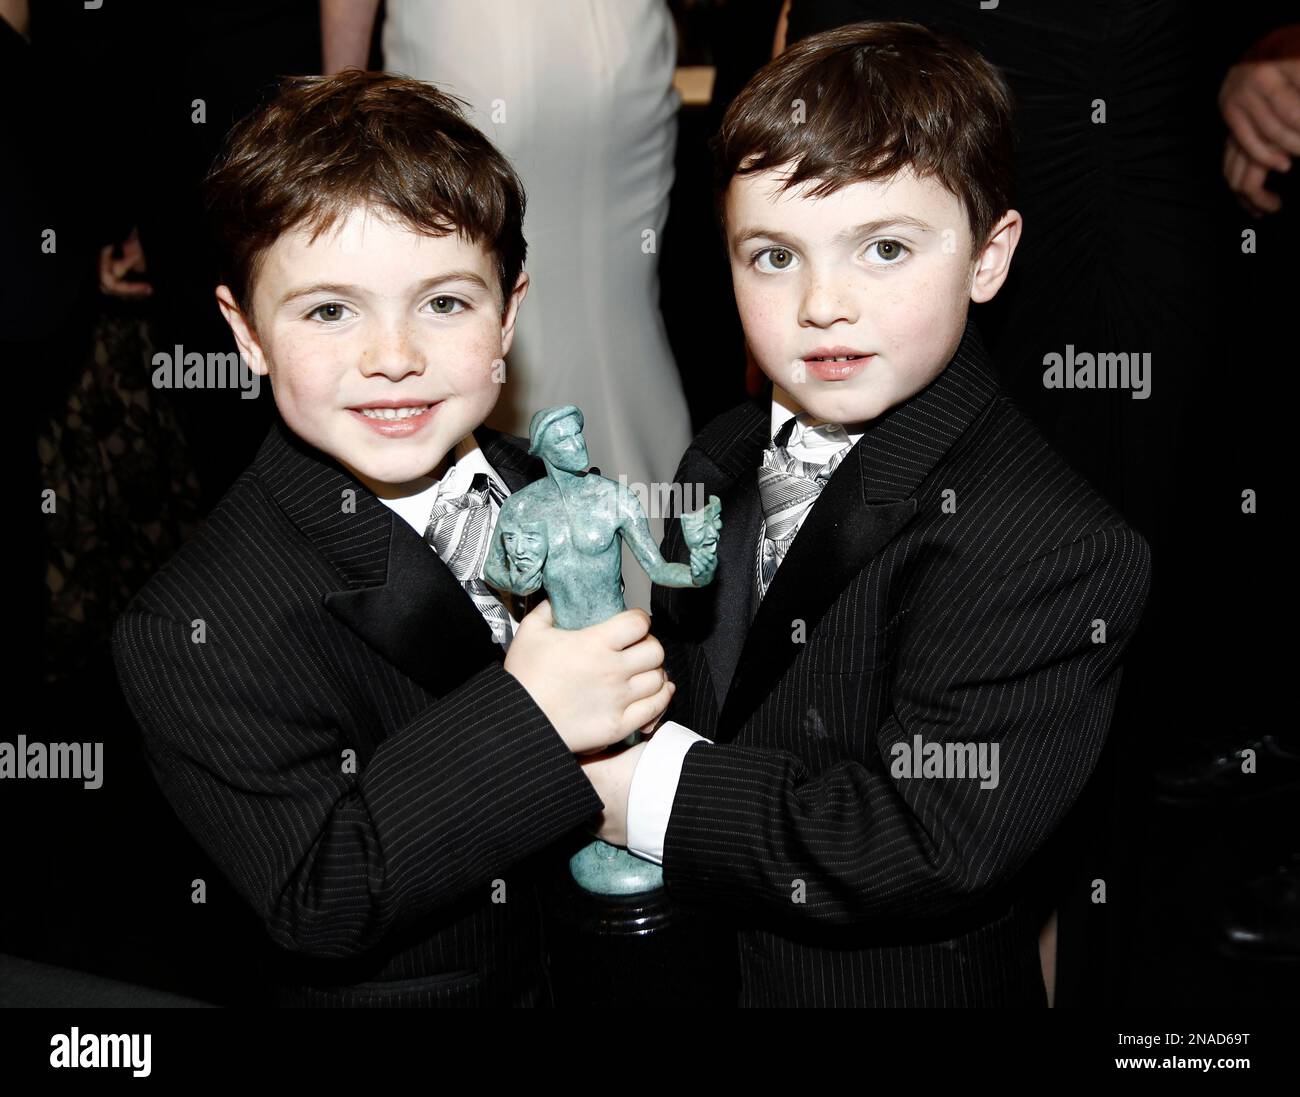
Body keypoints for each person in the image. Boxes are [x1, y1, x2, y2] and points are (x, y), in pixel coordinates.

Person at [581, 22, 1153, 1007]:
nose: (822, 303)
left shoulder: (1051, 546)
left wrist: (648, 794)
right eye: (772, 256)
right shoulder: (720, 450)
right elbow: (698, 684)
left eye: (882, 248)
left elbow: (930, 835)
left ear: (988, 253)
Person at [110, 71, 673, 1007]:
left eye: (445, 303)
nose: (393, 356)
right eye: (330, 310)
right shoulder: (192, 629)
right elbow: (322, 895)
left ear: (510, 312)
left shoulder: (539, 480)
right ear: (245, 333)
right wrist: (530, 718)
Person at [322, 0, 693, 615]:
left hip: (478, 34)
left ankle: (504, 596)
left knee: (496, 292)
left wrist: (340, 102)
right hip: (625, 40)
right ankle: (656, 585)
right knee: (596, 307)